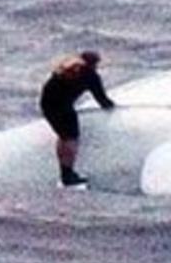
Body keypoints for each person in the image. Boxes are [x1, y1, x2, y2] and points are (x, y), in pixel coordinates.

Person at [40, 51, 115, 187]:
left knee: (64, 137)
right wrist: (113, 109)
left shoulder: (65, 69)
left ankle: (66, 173)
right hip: (62, 108)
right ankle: (67, 175)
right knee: (70, 138)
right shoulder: (90, 76)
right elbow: (102, 100)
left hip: (48, 105)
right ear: (93, 64)